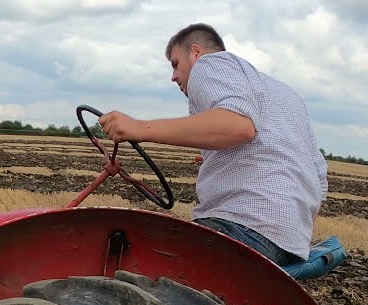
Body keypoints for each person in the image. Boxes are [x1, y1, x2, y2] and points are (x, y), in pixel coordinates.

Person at [99, 23, 345, 280]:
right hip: (289, 245)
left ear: (195, 52)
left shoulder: (210, 64)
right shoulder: (287, 95)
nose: (173, 77)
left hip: (241, 227)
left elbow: (238, 126)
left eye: (175, 64)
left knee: (123, 254)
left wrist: (139, 128)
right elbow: (318, 176)